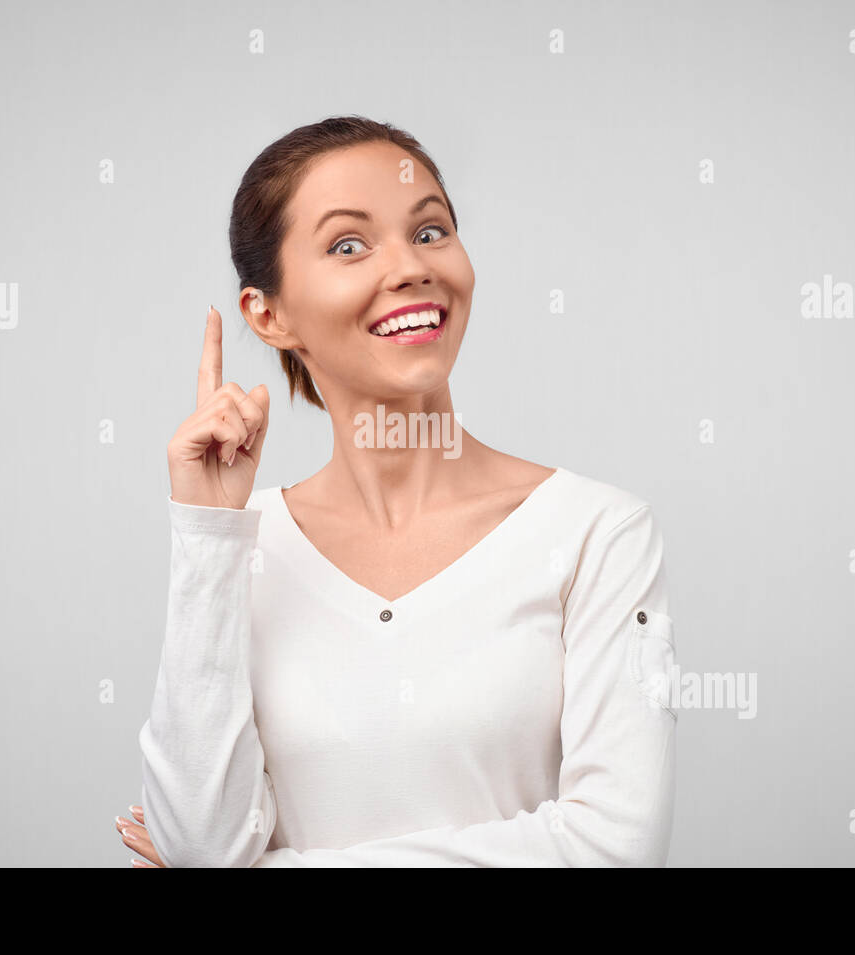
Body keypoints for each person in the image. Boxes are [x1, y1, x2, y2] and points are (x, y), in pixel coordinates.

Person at [113, 116, 678, 867]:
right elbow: (198, 838)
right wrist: (209, 535)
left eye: (432, 231)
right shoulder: (242, 545)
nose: (410, 266)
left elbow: (615, 848)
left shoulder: (595, 533)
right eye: (349, 245)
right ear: (268, 313)